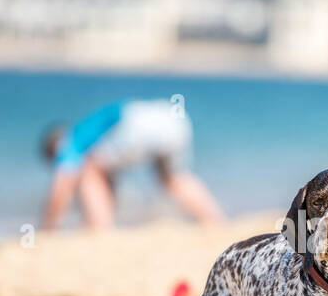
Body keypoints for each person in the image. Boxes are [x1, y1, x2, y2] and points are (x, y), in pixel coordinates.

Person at [39, 99, 223, 230]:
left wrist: (48, 227)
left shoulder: (71, 140)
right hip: (173, 121)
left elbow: (61, 186)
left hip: (136, 127)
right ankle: (215, 222)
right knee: (174, 178)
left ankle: (99, 231)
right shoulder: (92, 129)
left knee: (89, 170)